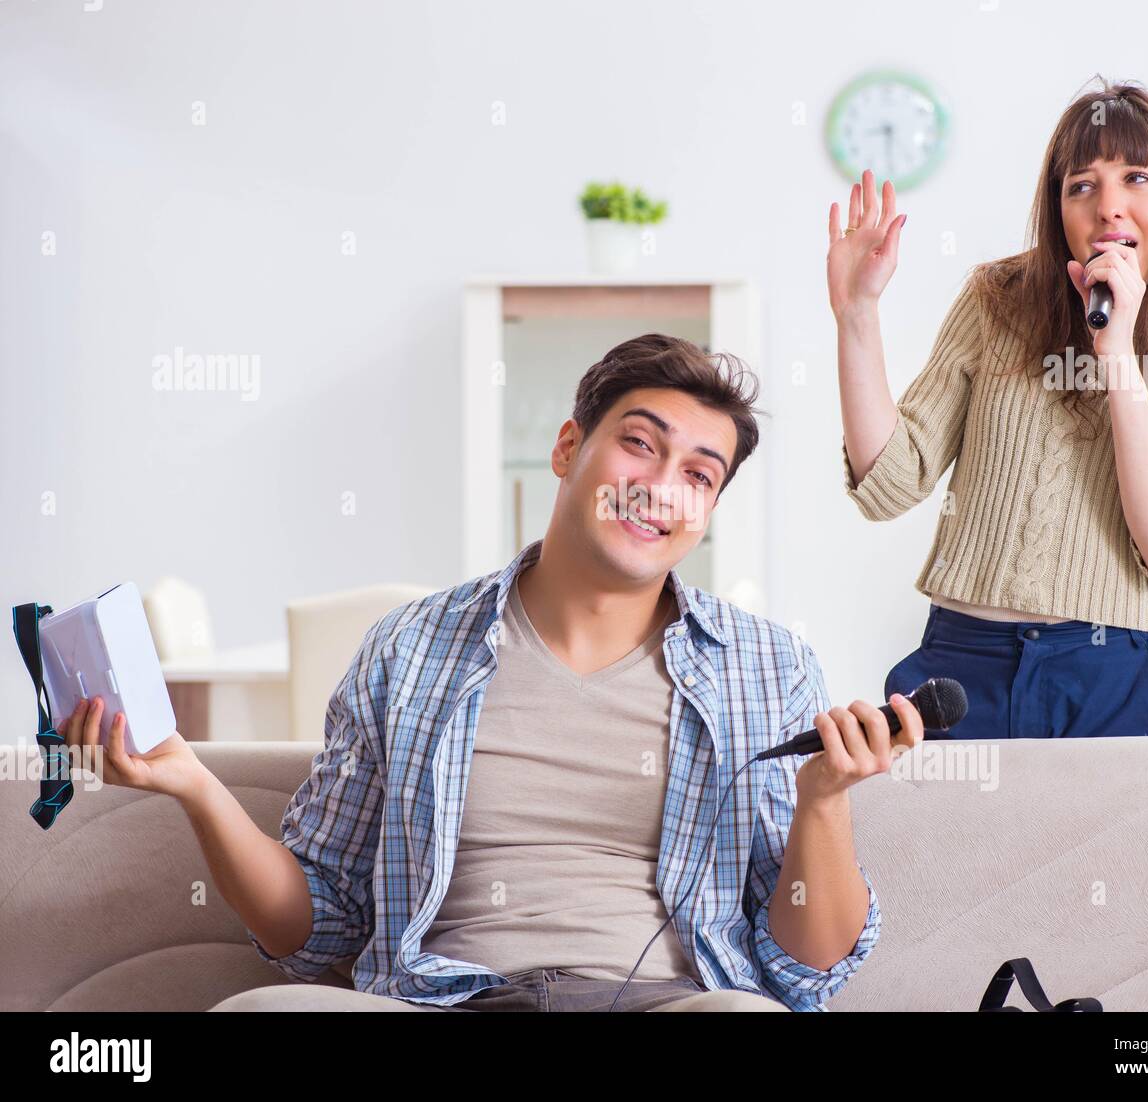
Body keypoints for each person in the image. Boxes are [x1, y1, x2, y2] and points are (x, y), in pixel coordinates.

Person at [59, 335, 924, 1012]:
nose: (661, 488)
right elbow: (317, 928)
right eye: (638, 446)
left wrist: (823, 800)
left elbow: (805, 969)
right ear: (566, 447)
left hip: (676, 1001)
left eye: (699, 475)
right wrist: (196, 787)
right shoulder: (409, 650)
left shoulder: (766, 666)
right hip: (442, 999)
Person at [827, 79, 1148, 741]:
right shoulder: (995, 302)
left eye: (1137, 178)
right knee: (928, 846)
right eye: (1082, 185)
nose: (1109, 207)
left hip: (1123, 672)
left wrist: (1117, 353)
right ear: (1058, 209)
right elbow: (890, 484)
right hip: (964, 664)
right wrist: (856, 313)